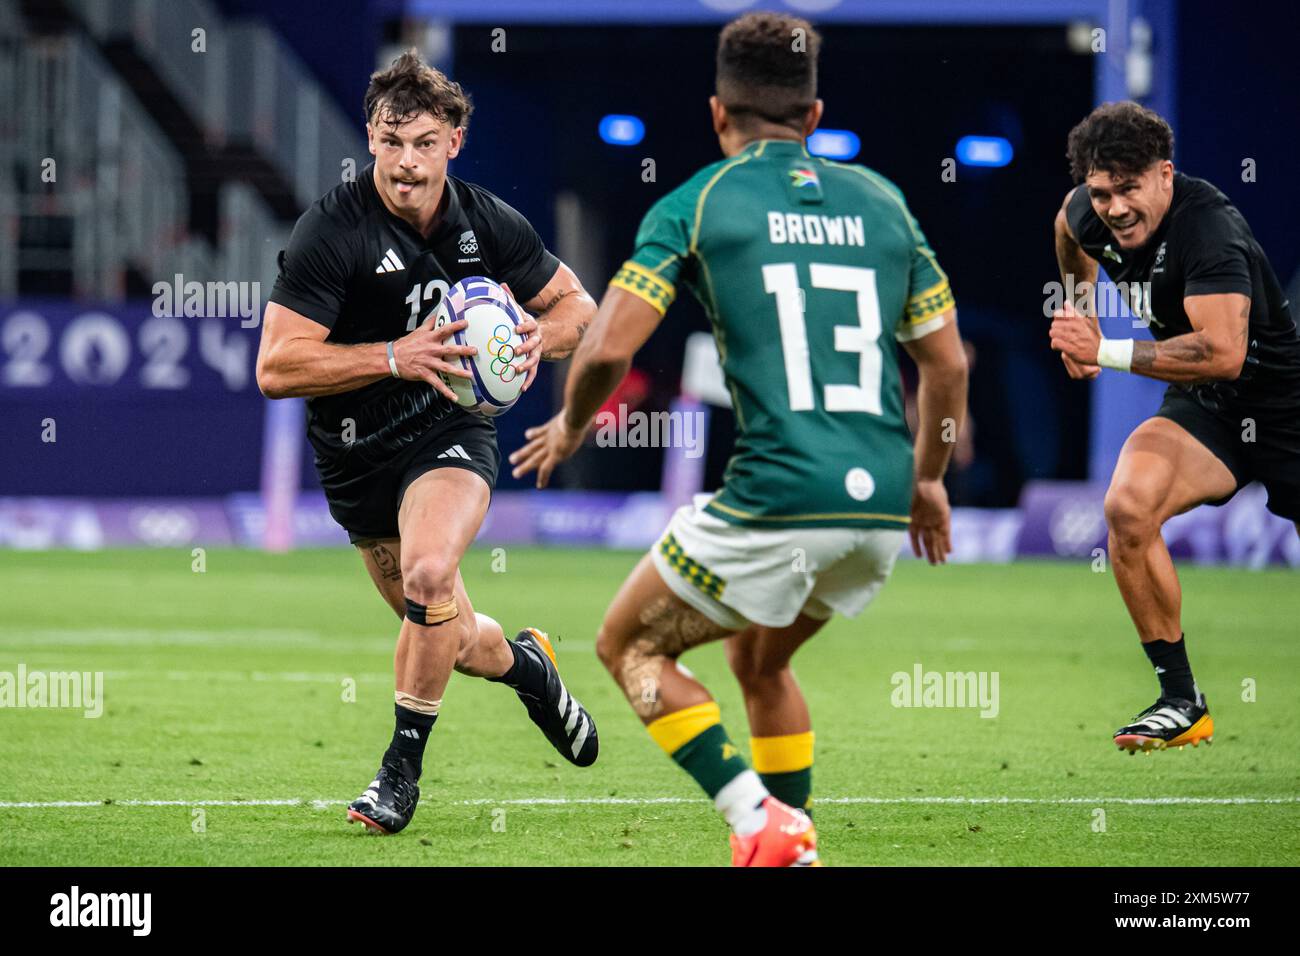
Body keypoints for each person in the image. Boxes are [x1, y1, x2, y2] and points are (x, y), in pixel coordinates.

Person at [511, 12, 967, 865]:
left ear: (718, 113)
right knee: (760, 663)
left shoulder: (699, 201)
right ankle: (791, 844)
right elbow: (947, 370)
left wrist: (572, 426)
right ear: (816, 116)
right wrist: (931, 480)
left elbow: (609, 344)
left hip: (778, 498)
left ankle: (758, 821)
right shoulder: (884, 202)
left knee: (627, 646)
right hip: (876, 512)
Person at [255, 50, 601, 835]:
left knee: (430, 568)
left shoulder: (486, 223)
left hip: (451, 429)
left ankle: (398, 774)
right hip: (354, 453)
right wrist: (392, 355)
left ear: (455, 140)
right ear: (370, 140)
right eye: (389, 141)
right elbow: (275, 367)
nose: (405, 162)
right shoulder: (331, 231)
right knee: (458, 635)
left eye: (422, 143)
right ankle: (531, 669)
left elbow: (580, 309)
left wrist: (529, 339)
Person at [1050, 101, 1300, 753]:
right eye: (1103, 192)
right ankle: (1181, 700)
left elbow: (1223, 352)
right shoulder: (1087, 211)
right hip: (1205, 408)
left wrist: (1099, 350)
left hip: (1284, 406)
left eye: (1130, 189)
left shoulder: (1208, 227)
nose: (1115, 207)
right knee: (1128, 510)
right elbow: (1067, 227)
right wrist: (1084, 313)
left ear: (1165, 174)